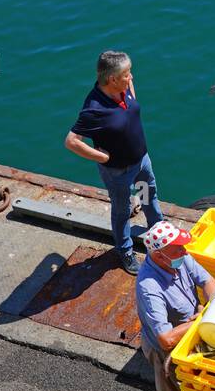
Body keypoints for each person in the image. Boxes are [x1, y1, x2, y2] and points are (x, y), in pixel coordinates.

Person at [65, 50, 166, 274]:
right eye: (127, 74)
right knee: (122, 210)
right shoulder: (94, 109)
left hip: (141, 162)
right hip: (119, 172)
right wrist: (101, 157)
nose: (131, 78)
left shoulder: (123, 88)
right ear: (112, 79)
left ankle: (160, 234)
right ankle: (125, 251)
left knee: (148, 196)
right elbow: (72, 141)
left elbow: (132, 98)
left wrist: (131, 101)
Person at [135, 221, 215, 391]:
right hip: (165, 351)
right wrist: (201, 320)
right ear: (159, 255)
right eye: (178, 250)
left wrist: (209, 305)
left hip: (191, 332)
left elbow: (208, 281)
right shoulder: (149, 288)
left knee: (193, 388)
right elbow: (166, 338)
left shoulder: (180, 257)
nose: (184, 252)